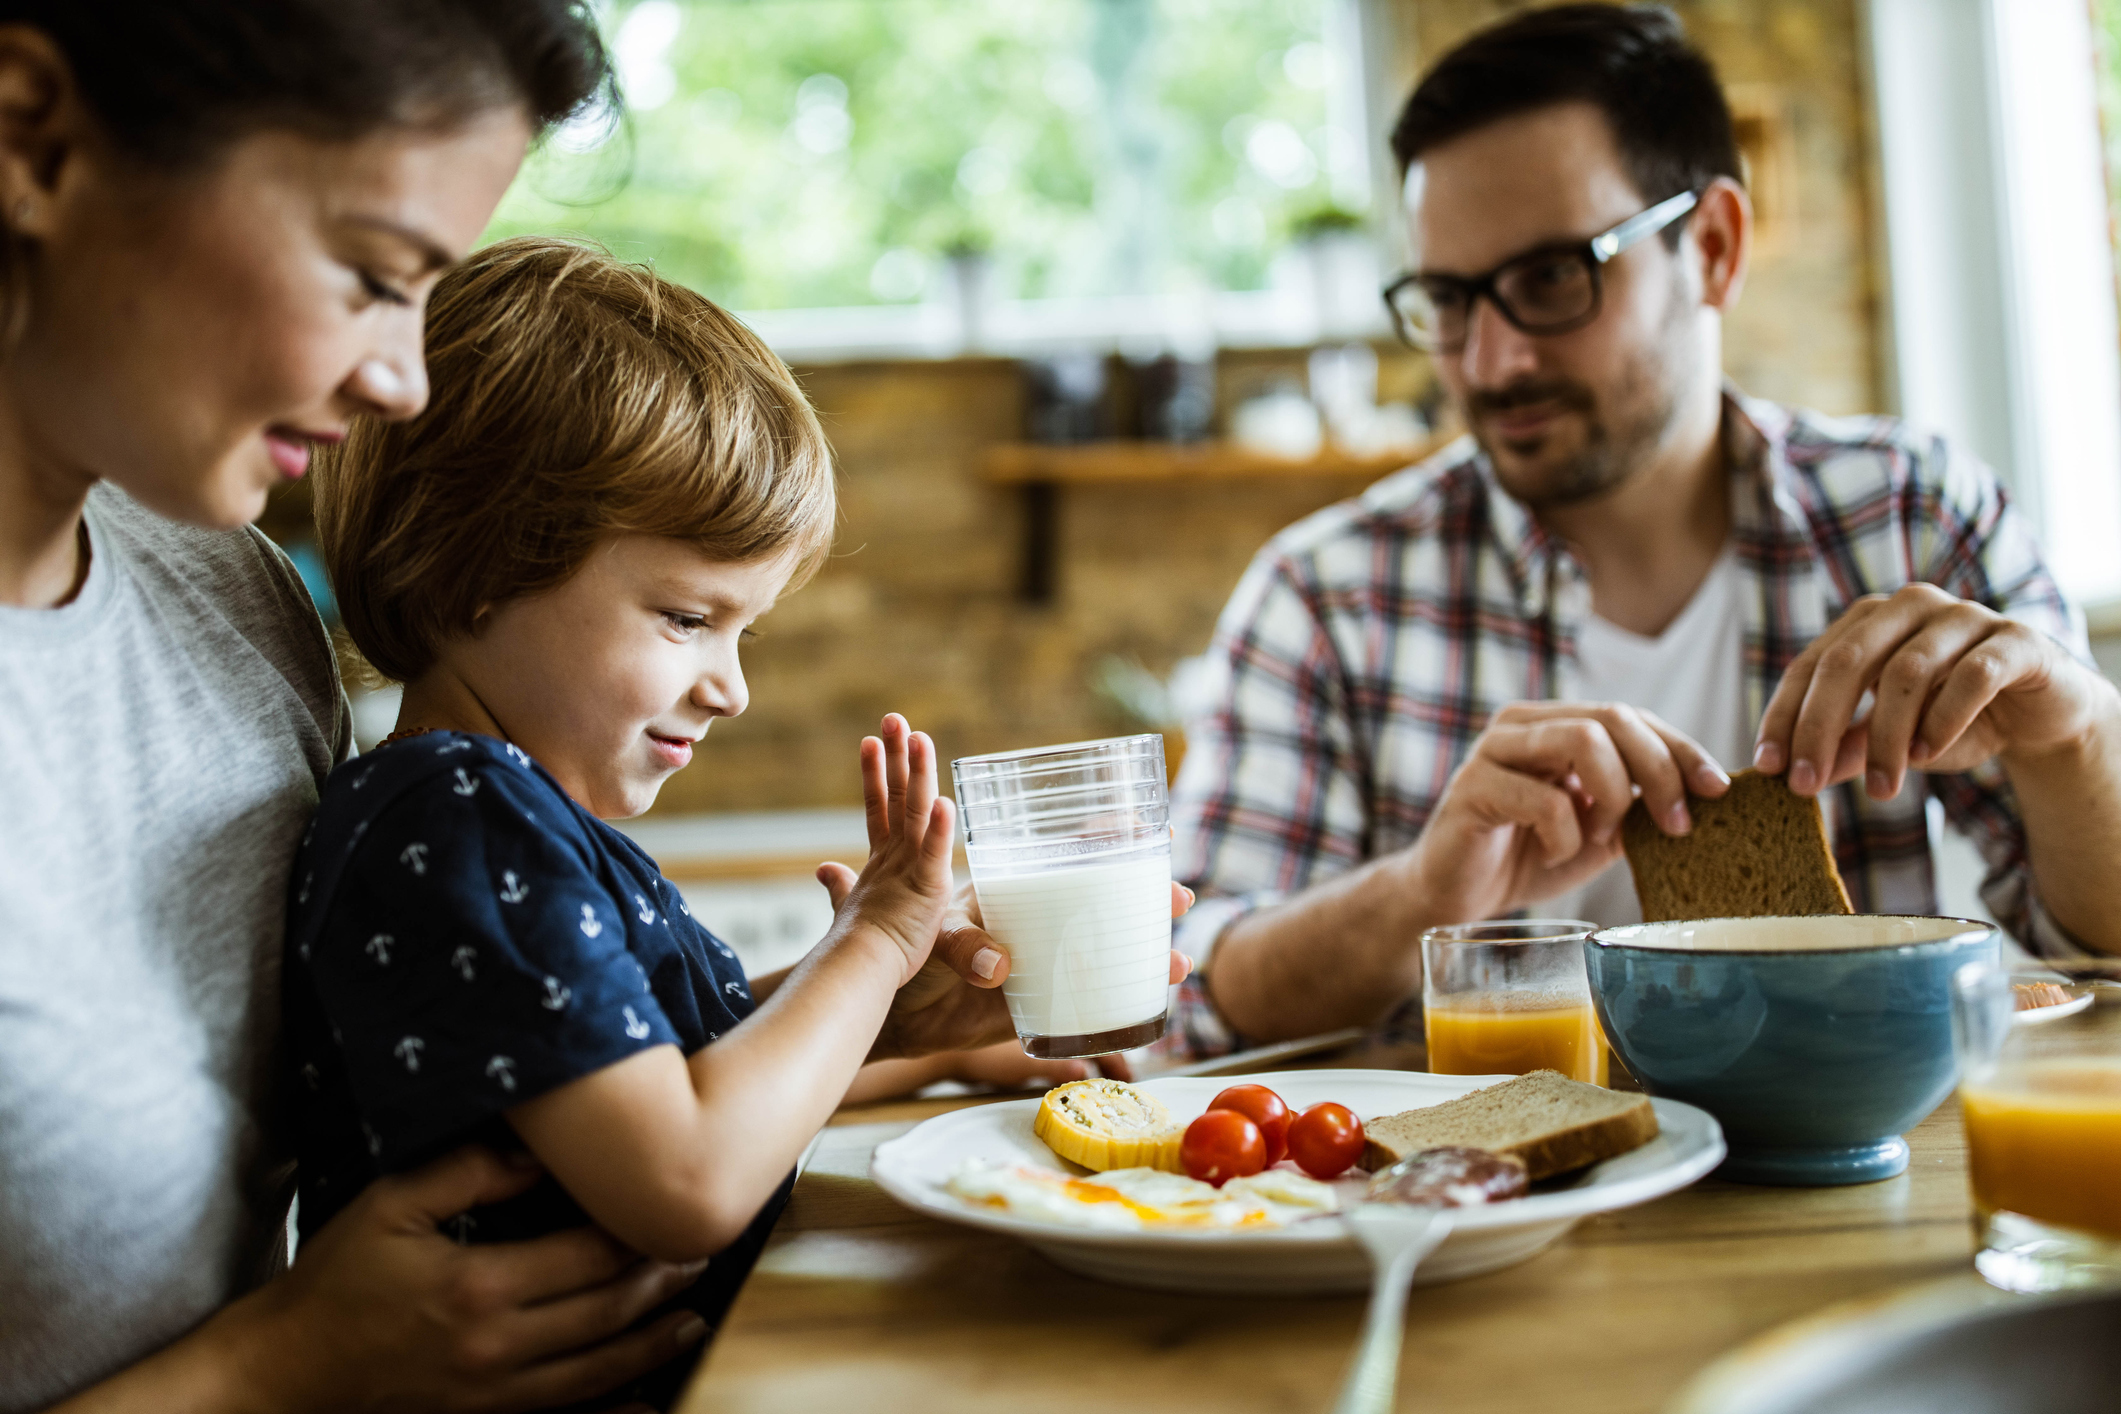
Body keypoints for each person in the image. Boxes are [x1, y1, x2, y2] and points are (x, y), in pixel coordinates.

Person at [0, 6, 1070, 1410]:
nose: (402, 380)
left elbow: (507, 1056)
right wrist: (278, 1366)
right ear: (31, 135)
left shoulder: (232, 596)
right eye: (372, 271)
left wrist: (866, 1015)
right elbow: (664, 1164)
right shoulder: (445, 792)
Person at [1166, 2, 2121, 1056]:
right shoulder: (1324, 595)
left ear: (1712, 246)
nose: (1490, 361)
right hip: (1478, 1215)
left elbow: (2098, 969)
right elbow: (1197, 988)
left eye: (1550, 279)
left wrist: (2075, 739)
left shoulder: (1911, 516)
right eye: (1449, 297)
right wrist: (1425, 894)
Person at [287, 239, 1134, 1404]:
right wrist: (873, 942)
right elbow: (688, 1172)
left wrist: (905, 1020)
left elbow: (676, 1069)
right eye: (688, 616)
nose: (731, 685)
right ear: (472, 563)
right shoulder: (461, 814)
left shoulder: (503, 819)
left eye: (747, 630)